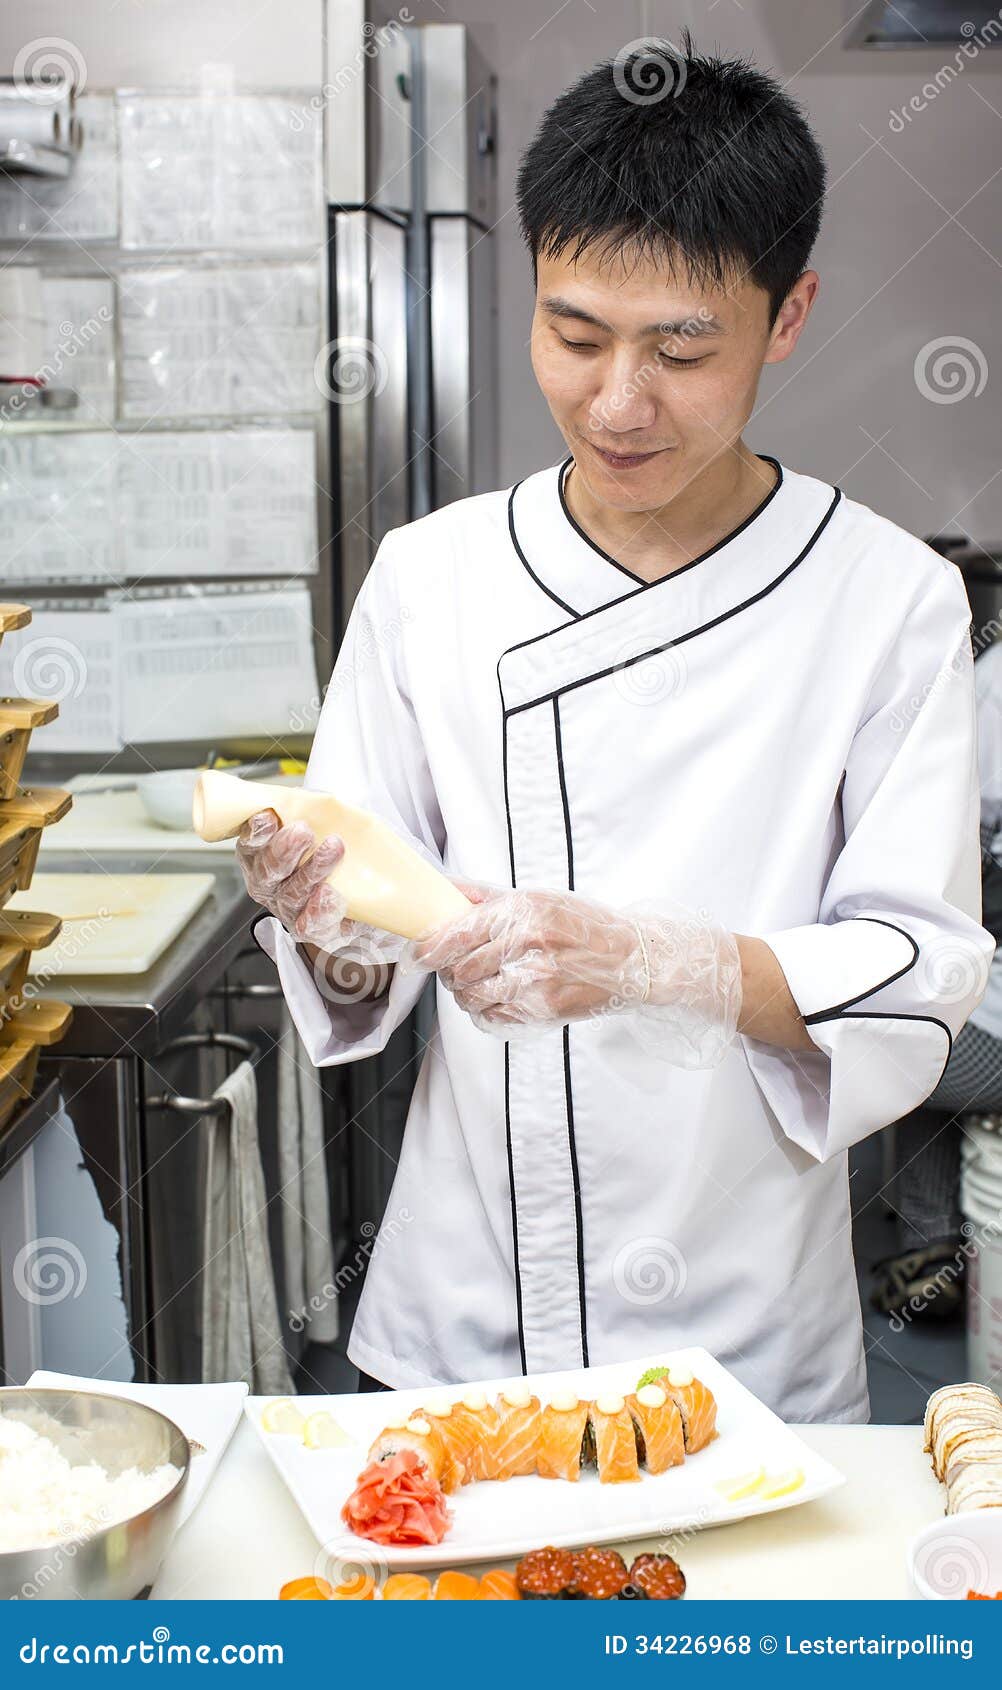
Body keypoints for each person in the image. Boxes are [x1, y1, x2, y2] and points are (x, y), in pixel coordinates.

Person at [239, 38, 992, 1422]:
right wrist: (317, 912)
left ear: (788, 314)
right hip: (457, 1319)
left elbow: (916, 970)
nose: (616, 402)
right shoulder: (429, 575)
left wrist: (667, 963)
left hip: (744, 1338)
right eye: (573, 337)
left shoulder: (885, 600)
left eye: (680, 349)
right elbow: (365, 938)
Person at [873, 635, 1002, 1321]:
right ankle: (936, 1254)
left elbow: (958, 845)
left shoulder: (990, 678)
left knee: (905, 1048)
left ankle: (931, 1256)